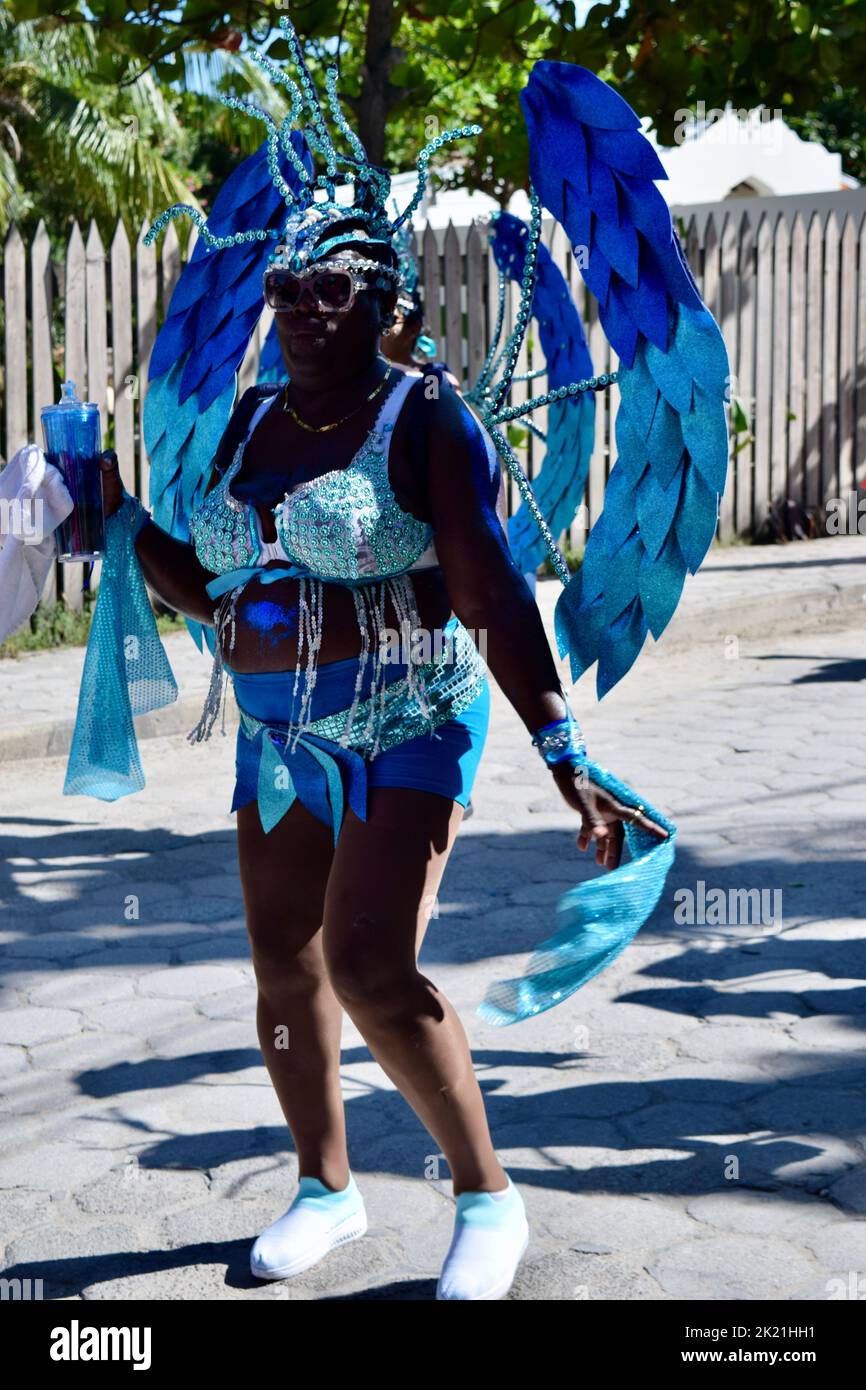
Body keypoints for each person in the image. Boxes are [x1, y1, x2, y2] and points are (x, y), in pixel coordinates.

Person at [67, 20, 726, 1301]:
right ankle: (324, 1185)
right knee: (281, 965)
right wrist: (119, 517)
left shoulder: (427, 418)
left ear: (393, 307)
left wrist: (562, 753)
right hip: (277, 745)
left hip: (410, 719)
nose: (303, 311)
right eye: (286, 291)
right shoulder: (254, 422)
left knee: (368, 959)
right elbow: (215, 596)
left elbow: (485, 591)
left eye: (334, 292)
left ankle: (487, 1199)